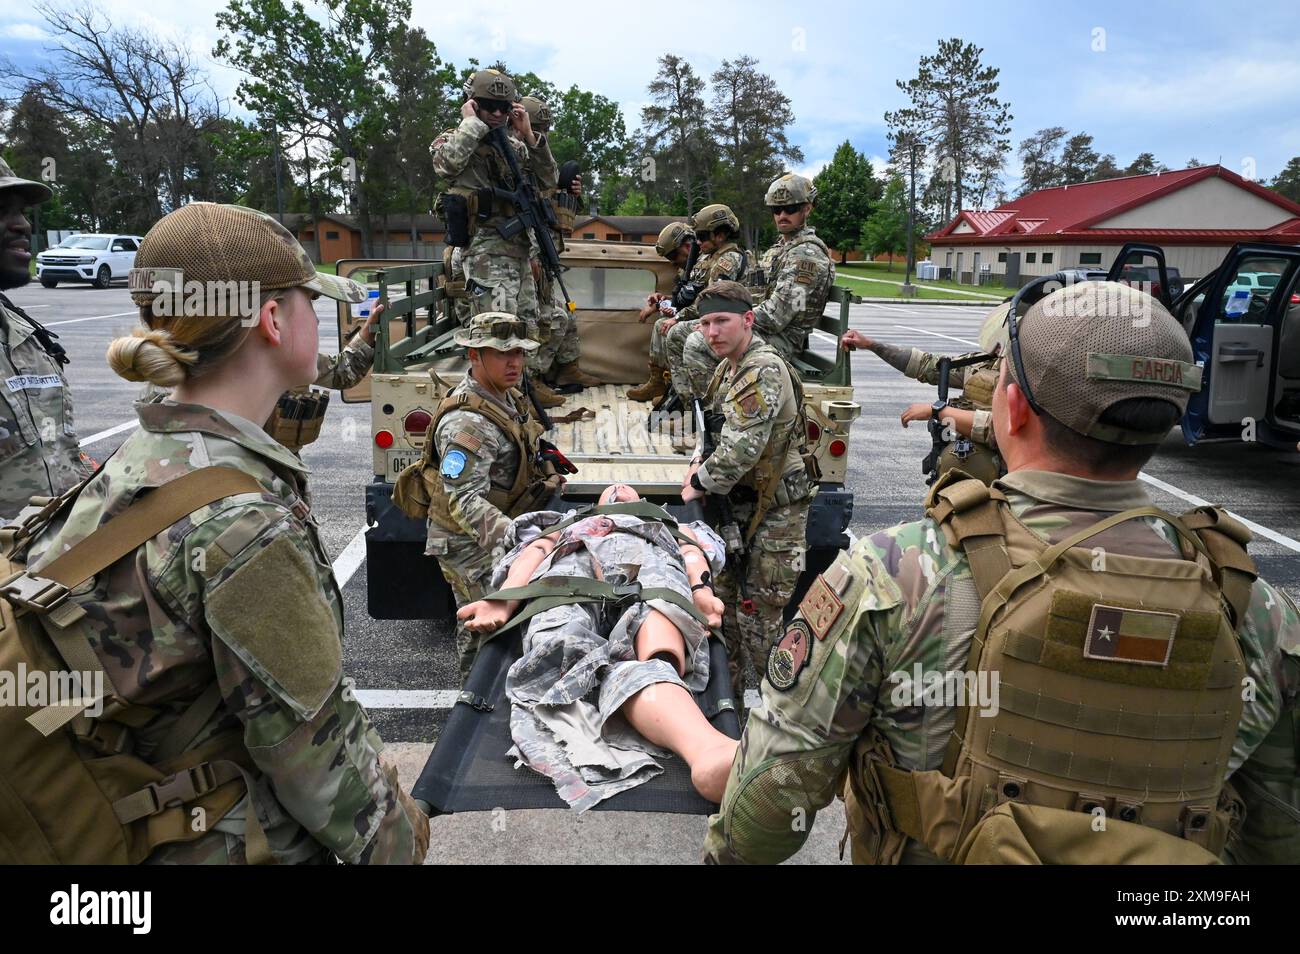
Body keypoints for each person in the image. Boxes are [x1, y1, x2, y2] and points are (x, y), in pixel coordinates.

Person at [703, 281, 1300, 865]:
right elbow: (1278, 832)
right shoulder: (1258, 609)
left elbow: (769, 811)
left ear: (1010, 407)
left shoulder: (895, 572)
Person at [22, 202, 429, 864]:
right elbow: (327, 774)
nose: (318, 318)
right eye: (310, 303)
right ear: (272, 320)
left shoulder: (146, 462)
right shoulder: (244, 525)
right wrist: (411, 835)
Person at [457, 483, 737, 807]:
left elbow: (692, 552)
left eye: (627, 488)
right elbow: (532, 554)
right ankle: (602, 687)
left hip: (650, 574)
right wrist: (503, 601)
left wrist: (701, 593)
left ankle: (707, 751)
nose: (619, 487)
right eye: (610, 487)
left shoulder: (669, 523)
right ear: (597, 500)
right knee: (558, 646)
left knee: (659, 645)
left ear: (642, 501)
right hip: (571, 575)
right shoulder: (561, 522)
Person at [401, 311, 565, 679]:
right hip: (467, 540)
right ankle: (471, 707)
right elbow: (464, 502)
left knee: (513, 620)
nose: (514, 362)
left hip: (497, 523)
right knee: (483, 626)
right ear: (474, 355)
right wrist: (518, 539)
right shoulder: (467, 422)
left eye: (520, 353)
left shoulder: (504, 396)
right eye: (502, 353)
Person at [681, 281, 813, 701]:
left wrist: (698, 483)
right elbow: (718, 434)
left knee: (761, 628)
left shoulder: (762, 369)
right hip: (743, 510)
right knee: (725, 621)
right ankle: (728, 713)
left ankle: (790, 723)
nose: (712, 332)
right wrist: (699, 463)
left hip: (774, 516)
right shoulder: (729, 367)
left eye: (722, 321)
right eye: (705, 323)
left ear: (748, 320)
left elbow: (741, 449)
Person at [431, 68, 556, 395]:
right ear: (471, 103)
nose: (499, 114)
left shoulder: (515, 145)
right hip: (486, 253)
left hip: (517, 252)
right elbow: (445, 164)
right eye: (490, 106)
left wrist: (530, 136)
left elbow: (548, 180)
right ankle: (491, 403)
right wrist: (472, 123)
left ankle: (521, 395)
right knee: (496, 333)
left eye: (505, 107)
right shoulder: (457, 137)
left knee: (525, 329)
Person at [0, 154, 92, 518]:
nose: (22, 225)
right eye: (2, 210)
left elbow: (61, 456)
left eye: (21, 211)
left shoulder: (24, 332)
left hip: (58, 565)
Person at [841, 301, 1009, 483]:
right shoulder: (984, 365)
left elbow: (1001, 428)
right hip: (975, 467)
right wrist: (871, 344)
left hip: (1011, 474)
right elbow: (926, 365)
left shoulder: (1033, 379)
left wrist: (938, 411)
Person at [519, 94, 600, 398]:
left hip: (546, 256)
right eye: (536, 127)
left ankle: (568, 370)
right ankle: (532, 379)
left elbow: (557, 217)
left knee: (567, 312)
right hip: (527, 257)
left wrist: (569, 196)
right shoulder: (514, 161)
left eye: (544, 129)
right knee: (550, 318)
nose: (541, 135)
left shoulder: (541, 165)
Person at [741, 173, 835, 362]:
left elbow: (776, 317)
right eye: (776, 210)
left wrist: (729, 320)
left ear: (806, 209)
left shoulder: (807, 255)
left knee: (700, 340)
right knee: (692, 331)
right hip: (762, 331)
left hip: (784, 341)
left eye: (790, 209)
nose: (782, 215)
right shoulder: (780, 249)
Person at [660, 205, 748, 404]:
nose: (698, 242)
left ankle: (700, 406)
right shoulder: (710, 257)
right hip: (719, 317)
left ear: (720, 234)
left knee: (676, 333)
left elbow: (712, 302)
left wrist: (679, 317)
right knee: (670, 327)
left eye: (702, 236)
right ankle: (683, 400)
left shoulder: (728, 260)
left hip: (729, 321)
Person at [629, 221, 696, 403]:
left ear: (688, 246)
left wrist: (676, 315)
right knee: (661, 324)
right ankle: (659, 382)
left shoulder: (705, 266)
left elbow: (708, 302)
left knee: (671, 328)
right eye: (669, 257)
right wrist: (661, 302)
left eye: (673, 255)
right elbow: (688, 300)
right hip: (700, 315)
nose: (673, 261)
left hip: (715, 319)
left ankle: (682, 397)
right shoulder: (689, 268)